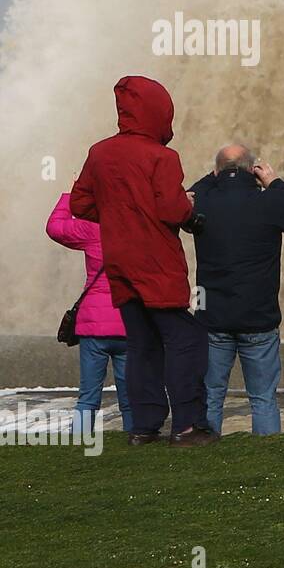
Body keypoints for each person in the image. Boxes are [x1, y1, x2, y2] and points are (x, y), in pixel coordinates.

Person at [70, 76, 215, 446]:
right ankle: (187, 426)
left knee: (142, 343)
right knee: (187, 339)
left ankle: (143, 428)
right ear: (158, 113)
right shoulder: (162, 157)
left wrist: (121, 215)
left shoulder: (99, 152)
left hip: (120, 262)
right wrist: (189, 210)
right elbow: (170, 208)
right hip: (155, 262)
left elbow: (80, 205)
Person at [190, 144, 284, 434]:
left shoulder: (204, 204)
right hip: (259, 319)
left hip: (214, 319)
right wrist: (274, 183)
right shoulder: (269, 202)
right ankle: (267, 458)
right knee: (263, 399)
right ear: (253, 170)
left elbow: (185, 198)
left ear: (217, 171)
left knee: (210, 397)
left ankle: (206, 456)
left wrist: (215, 176)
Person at [46, 192, 134, 434]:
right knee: (129, 397)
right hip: (127, 322)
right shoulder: (137, 231)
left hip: (93, 326)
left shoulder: (93, 229)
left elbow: (55, 227)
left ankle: (80, 439)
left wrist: (69, 194)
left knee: (88, 395)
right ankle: (134, 439)